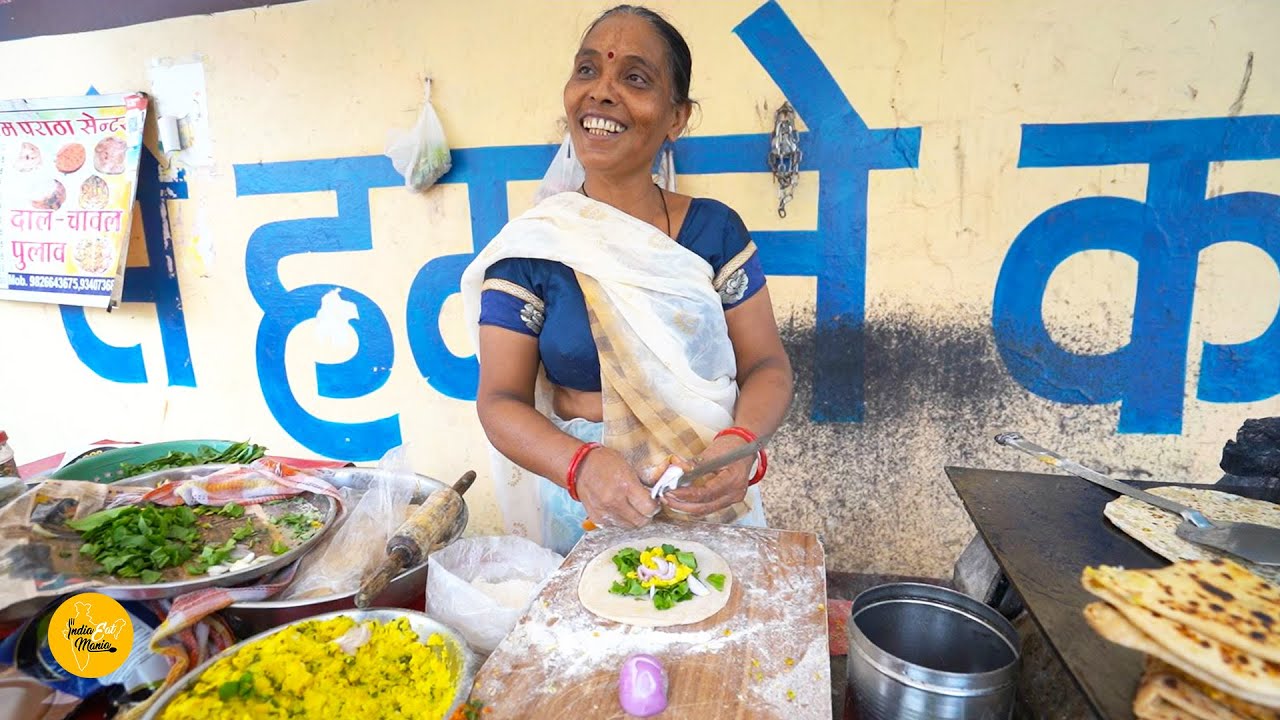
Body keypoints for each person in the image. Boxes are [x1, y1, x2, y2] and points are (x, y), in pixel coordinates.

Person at [461, 4, 793, 556]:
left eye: (634, 78)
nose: (602, 92)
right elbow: (499, 399)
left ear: (677, 117)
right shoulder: (534, 249)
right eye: (587, 70)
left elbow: (767, 365)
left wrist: (739, 446)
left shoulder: (716, 232)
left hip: (708, 485)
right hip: (588, 502)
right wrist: (579, 465)